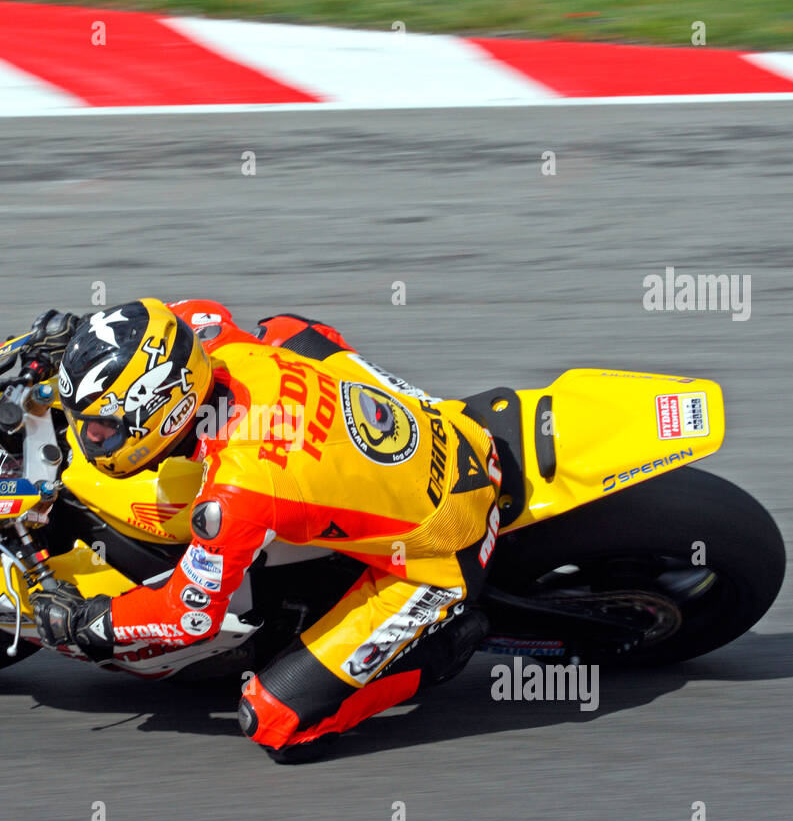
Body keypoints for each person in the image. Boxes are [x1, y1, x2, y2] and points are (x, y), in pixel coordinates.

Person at [25, 298, 501, 762]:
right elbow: (182, 313)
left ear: (166, 413)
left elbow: (187, 617)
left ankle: (443, 647)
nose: (90, 436)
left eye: (102, 428)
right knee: (284, 330)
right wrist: (78, 342)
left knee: (274, 723)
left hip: (447, 543)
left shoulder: (238, 492)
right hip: (449, 430)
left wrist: (86, 621)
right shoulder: (214, 346)